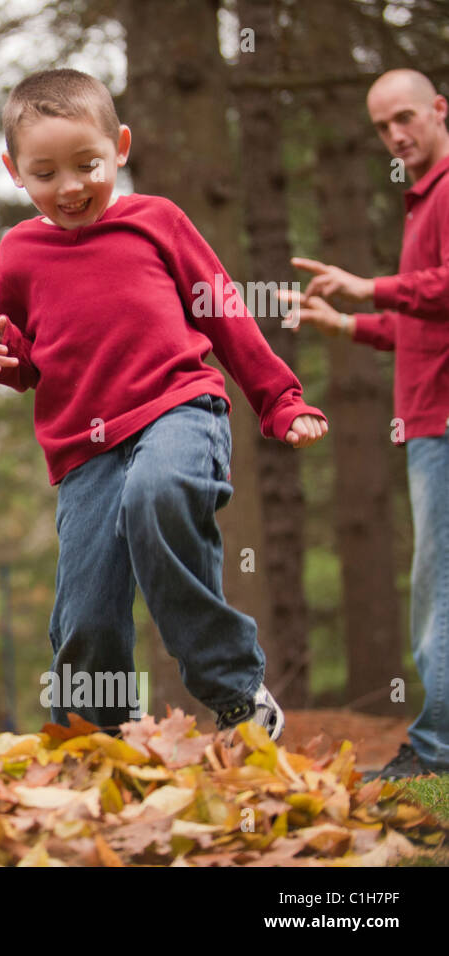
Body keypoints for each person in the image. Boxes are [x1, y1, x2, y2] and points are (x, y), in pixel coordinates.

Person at [0, 69, 328, 739]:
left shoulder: (156, 221)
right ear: (14, 171)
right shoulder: (18, 252)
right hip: (84, 449)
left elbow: (224, 311)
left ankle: (235, 692)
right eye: (45, 173)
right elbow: (18, 351)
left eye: (88, 164)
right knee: (86, 611)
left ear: (121, 146)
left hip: (179, 409)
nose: (71, 186)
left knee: (157, 495)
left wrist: (279, 398)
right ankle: (92, 737)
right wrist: (1, 359)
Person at [283, 69, 449, 778]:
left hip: (442, 424)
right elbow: (422, 323)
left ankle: (437, 756)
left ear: (441, 109)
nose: (395, 136)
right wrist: (349, 323)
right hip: (425, 418)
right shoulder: (423, 199)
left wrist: (365, 284)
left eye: (405, 118)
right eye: (382, 127)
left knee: (437, 588)